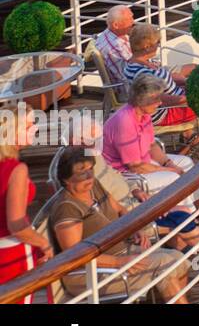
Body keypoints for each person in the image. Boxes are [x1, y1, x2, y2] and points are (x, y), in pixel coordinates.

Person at [46, 149, 189, 303]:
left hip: (120, 253)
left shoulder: (93, 187)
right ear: (66, 179)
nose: (89, 176)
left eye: (90, 169)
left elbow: (120, 209)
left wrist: (135, 229)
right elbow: (74, 256)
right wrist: (119, 263)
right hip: (91, 274)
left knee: (178, 258)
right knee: (164, 266)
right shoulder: (67, 208)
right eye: (82, 171)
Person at [101, 76, 198, 195]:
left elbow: (151, 145)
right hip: (123, 173)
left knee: (185, 162)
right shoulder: (125, 122)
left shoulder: (144, 114)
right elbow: (136, 166)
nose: (160, 102)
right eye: (156, 99)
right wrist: (171, 170)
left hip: (144, 162)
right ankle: (179, 210)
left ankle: (187, 208)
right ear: (142, 100)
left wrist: (168, 163)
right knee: (173, 177)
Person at [0, 107, 52, 302]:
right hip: (13, 254)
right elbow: (17, 225)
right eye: (29, 126)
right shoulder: (16, 170)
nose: (35, 129)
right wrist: (43, 243)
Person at [121, 23, 198, 128]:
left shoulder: (141, 63)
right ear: (147, 47)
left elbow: (164, 83)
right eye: (157, 42)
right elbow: (160, 99)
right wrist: (194, 98)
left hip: (174, 103)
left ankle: (196, 136)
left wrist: (186, 82)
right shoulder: (142, 72)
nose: (158, 45)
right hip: (165, 112)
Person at [94, 4, 136, 86]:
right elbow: (129, 76)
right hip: (131, 91)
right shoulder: (113, 46)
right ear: (115, 25)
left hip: (136, 80)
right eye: (129, 19)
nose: (133, 21)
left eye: (132, 17)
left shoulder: (117, 35)